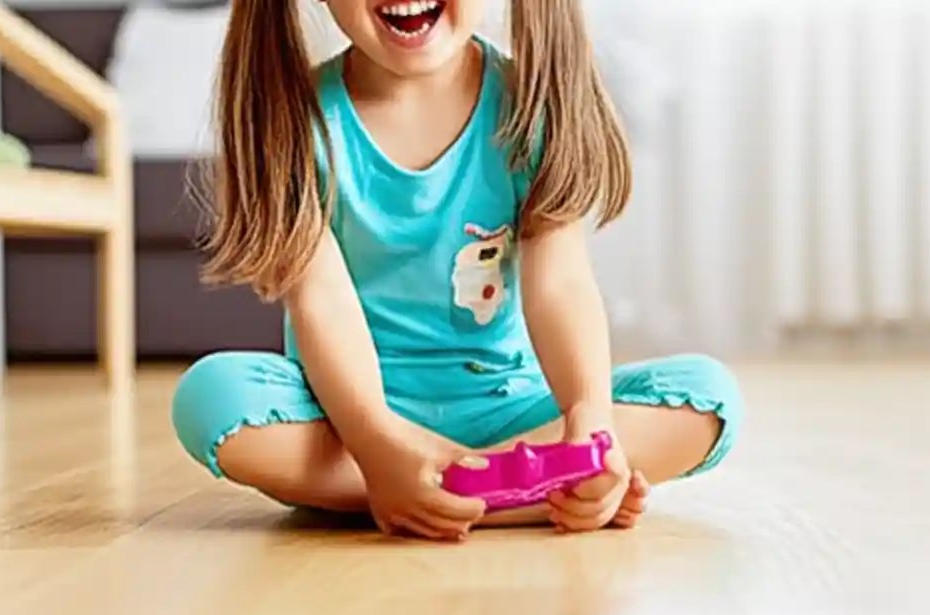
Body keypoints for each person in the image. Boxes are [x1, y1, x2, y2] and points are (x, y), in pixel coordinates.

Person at [170, 0, 743, 541]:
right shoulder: (297, 121)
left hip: (514, 411)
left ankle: (419, 494)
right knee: (212, 399)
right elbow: (323, 304)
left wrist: (589, 421)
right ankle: (511, 491)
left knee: (708, 398)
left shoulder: (528, 105)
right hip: (349, 419)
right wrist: (376, 442)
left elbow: (560, 287)